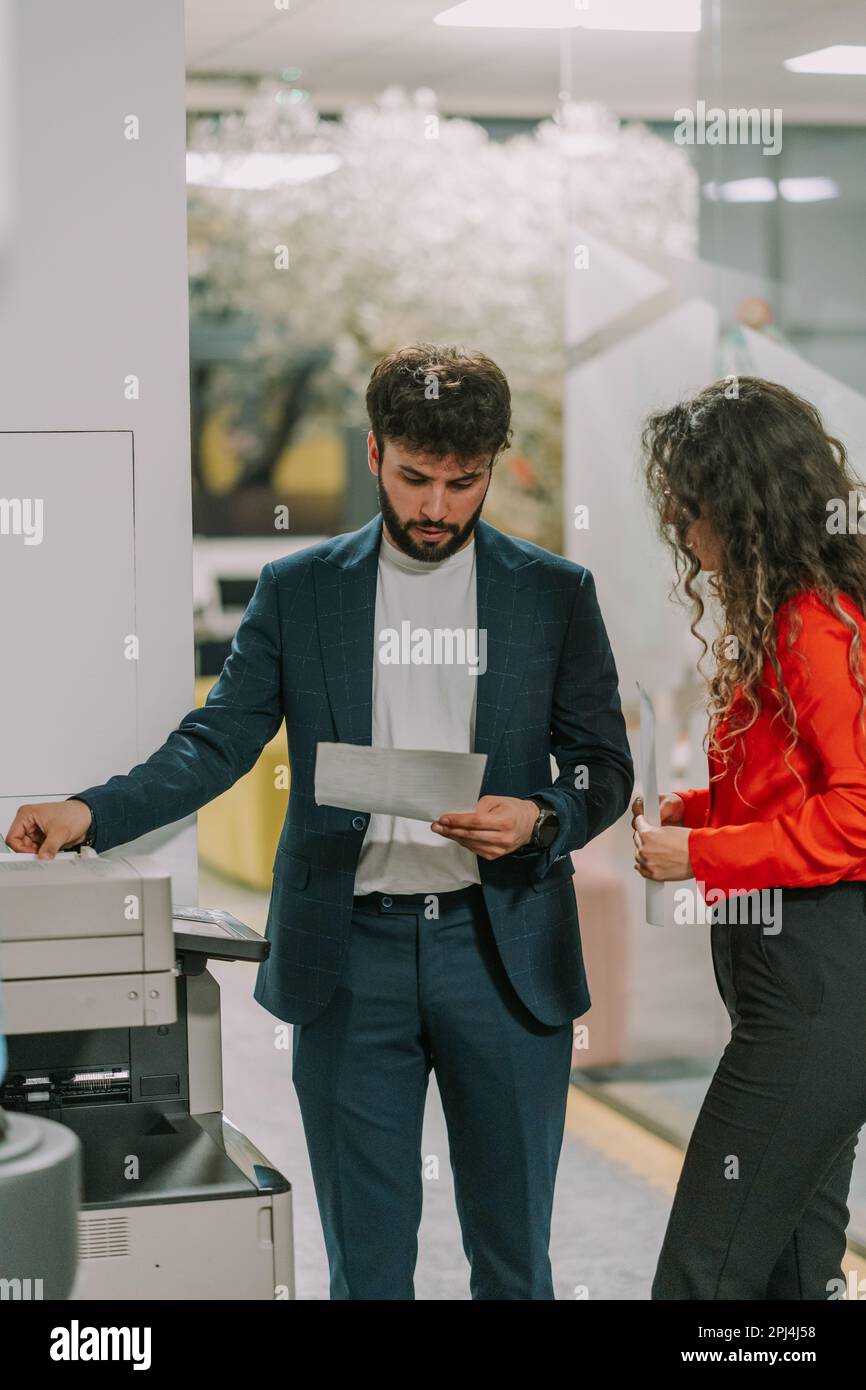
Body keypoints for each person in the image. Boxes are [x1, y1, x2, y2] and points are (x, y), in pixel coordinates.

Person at [6, 343, 633, 1300]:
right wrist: (91, 810)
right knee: (367, 1266)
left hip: (502, 955)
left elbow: (603, 766)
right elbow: (215, 743)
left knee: (517, 1264)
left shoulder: (554, 593)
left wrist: (545, 817)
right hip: (351, 959)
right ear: (374, 453)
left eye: (462, 484)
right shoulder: (301, 590)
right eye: (416, 478)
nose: (435, 508)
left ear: (491, 469)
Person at [632, 375, 866, 1300]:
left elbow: (859, 814)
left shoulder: (815, 623)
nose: (686, 536)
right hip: (798, 990)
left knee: (703, 1274)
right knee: (792, 1274)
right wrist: (698, 809)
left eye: (694, 511)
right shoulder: (797, 615)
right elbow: (795, 782)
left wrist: (701, 857)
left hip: (816, 994)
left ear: (744, 506)